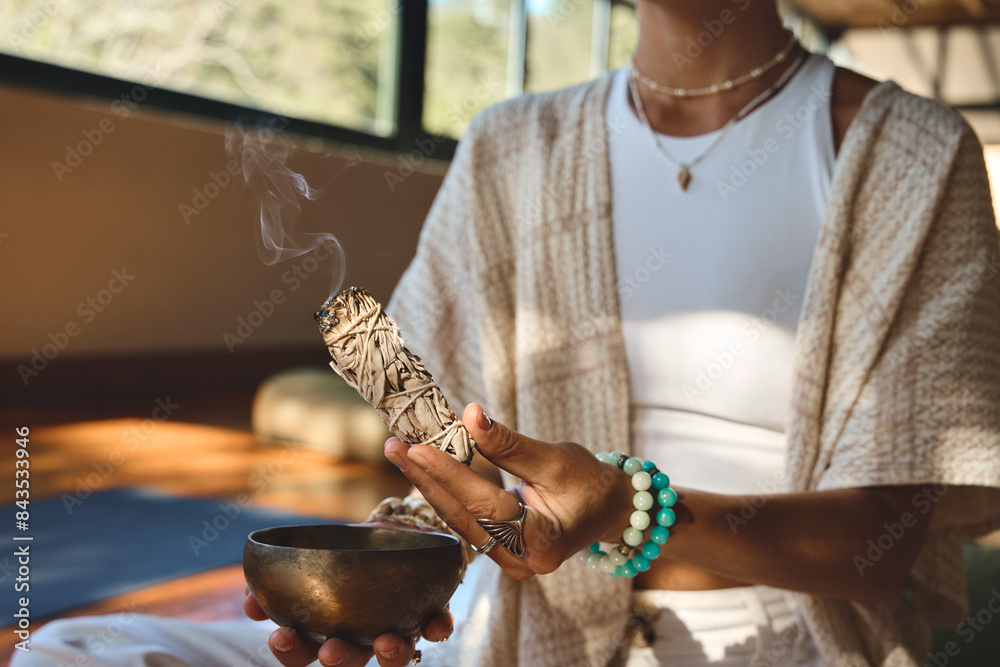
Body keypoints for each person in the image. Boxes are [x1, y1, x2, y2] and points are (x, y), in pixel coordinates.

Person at [18, 1, 1000, 666]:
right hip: (511, 634)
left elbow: (882, 541)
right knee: (76, 653)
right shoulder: (510, 144)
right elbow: (458, 461)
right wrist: (381, 585)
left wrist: (619, 512)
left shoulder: (909, 155)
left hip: (784, 639)